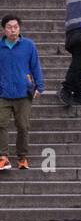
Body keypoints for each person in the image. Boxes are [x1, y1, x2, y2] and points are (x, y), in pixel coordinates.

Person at [0, 13, 43, 171]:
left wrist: (40, 86)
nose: (13, 30)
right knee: (1, 124)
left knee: (23, 126)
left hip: (24, 93)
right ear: (4, 30)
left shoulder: (28, 45)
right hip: (3, 94)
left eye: (15, 27)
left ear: (19, 28)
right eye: (9, 27)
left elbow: (35, 66)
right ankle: (3, 157)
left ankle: (22, 157)